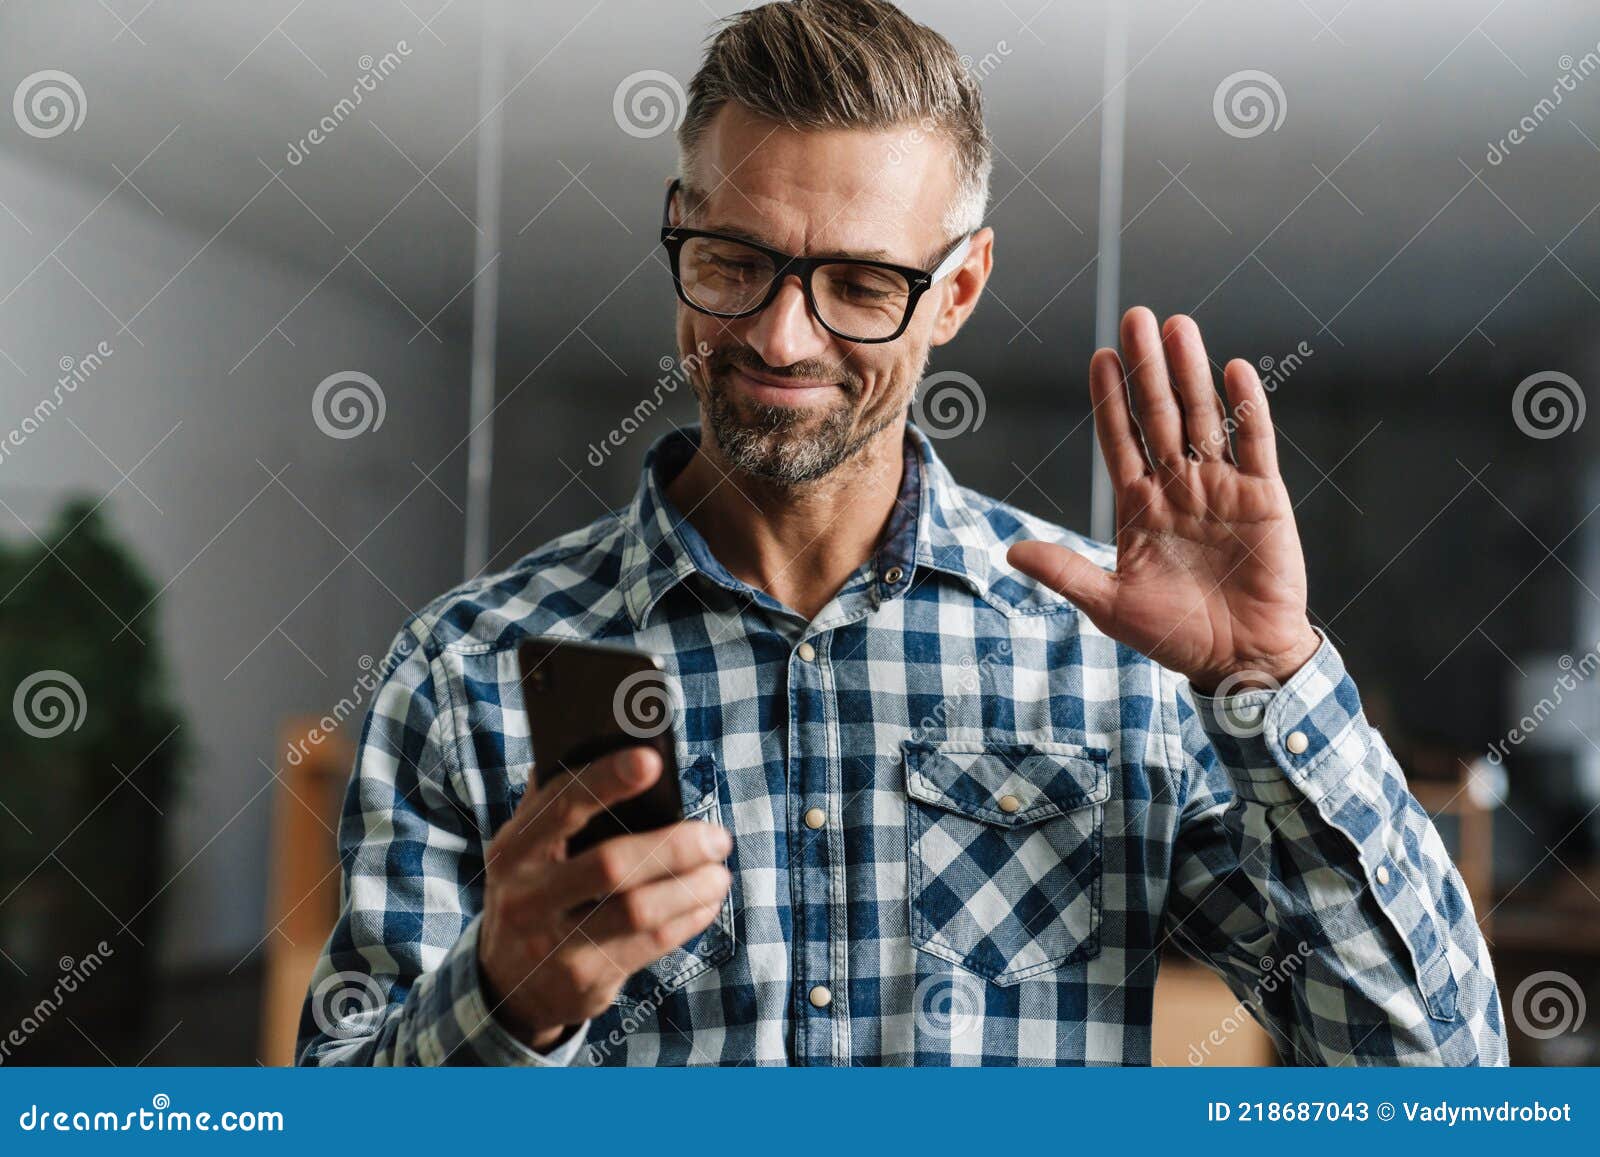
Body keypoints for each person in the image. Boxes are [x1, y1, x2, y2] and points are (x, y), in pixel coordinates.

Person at [299, 0, 1505, 1066]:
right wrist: (504, 1002)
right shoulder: (463, 670)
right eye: (734, 261)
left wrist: (1271, 678)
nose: (780, 337)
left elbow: (1428, 1077)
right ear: (680, 232)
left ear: (959, 290)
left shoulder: (1117, 670)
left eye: (862, 285)